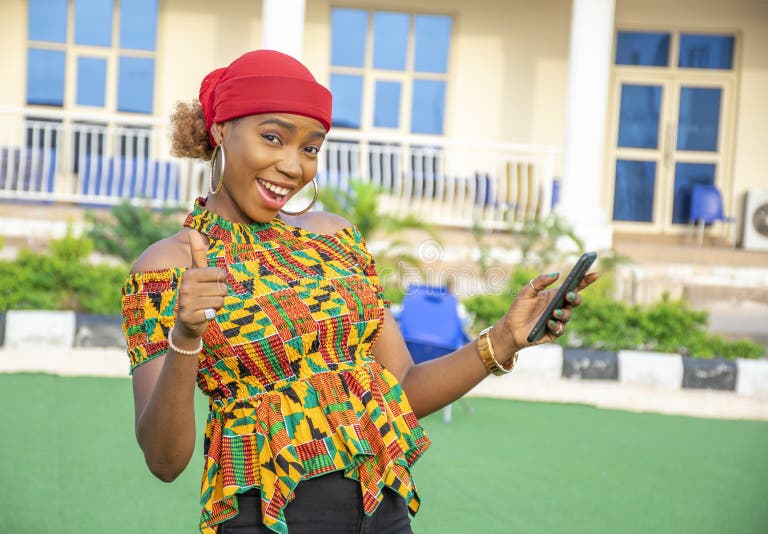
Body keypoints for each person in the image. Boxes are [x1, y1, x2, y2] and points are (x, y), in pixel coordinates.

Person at [120, 49, 598, 534]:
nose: (293, 166)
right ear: (221, 129)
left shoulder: (335, 238)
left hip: (383, 513)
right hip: (269, 520)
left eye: (310, 148)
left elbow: (403, 387)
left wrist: (504, 337)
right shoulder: (167, 267)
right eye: (273, 138)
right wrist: (186, 335)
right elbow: (164, 460)